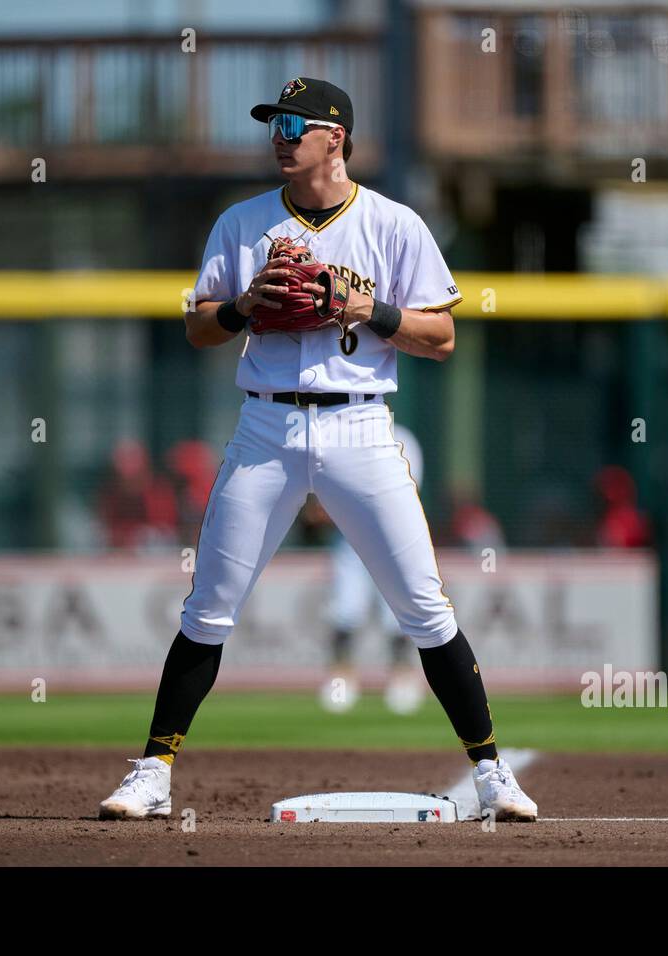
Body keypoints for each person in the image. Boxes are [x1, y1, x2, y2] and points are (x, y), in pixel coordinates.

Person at [98, 77, 537, 822]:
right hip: (266, 426)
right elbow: (198, 328)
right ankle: (153, 772)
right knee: (208, 609)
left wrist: (368, 307)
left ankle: (493, 773)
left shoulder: (394, 225)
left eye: (294, 124)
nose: (279, 134)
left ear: (336, 137)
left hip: (362, 426)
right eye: (274, 122)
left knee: (425, 611)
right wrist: (242, 307)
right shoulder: (241, 223)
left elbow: (442, 337)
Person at [315, 423, 427, 716]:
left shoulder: (403, 438)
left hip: (393, 537)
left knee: (396, 614)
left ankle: (402, 679)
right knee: (345, 609)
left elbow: (409, 491)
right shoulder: (342, 434)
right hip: (349, 535)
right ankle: (341, 679)